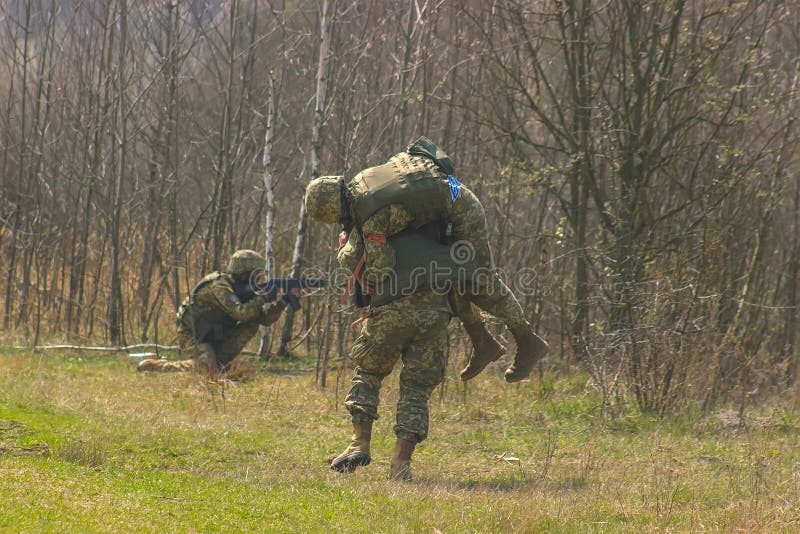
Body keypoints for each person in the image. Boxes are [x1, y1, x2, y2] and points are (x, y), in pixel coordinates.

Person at [304, 136, 548, 383]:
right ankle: (482, 341)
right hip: (450, 198)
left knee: (481, 279)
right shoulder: (360, 182)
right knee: (449, 277)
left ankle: (528, 341)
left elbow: (381, 268)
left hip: (463, 209)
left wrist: (353, 257)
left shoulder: (371, 217)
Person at [326, 216, 452, 481]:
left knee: (368, 374)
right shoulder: (441, 215)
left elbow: (349, 257)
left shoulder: (375, 214)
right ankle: (401, 463)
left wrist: (356, 268)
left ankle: (358, 444)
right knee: (417, 388)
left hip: (389, 309)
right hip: (434, 311)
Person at [136, 250, 292, 373]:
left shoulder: (244, 291)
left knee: (250, 325)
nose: (259, 279)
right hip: (194, 336)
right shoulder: (218, 286)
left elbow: (263, 319)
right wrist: (262, 298)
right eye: (256, 274)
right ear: (245, 272)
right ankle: (155, 366)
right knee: (205, 369)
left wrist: (283, 302)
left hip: (215, 336)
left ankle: (219, 363)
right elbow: (241, 313)